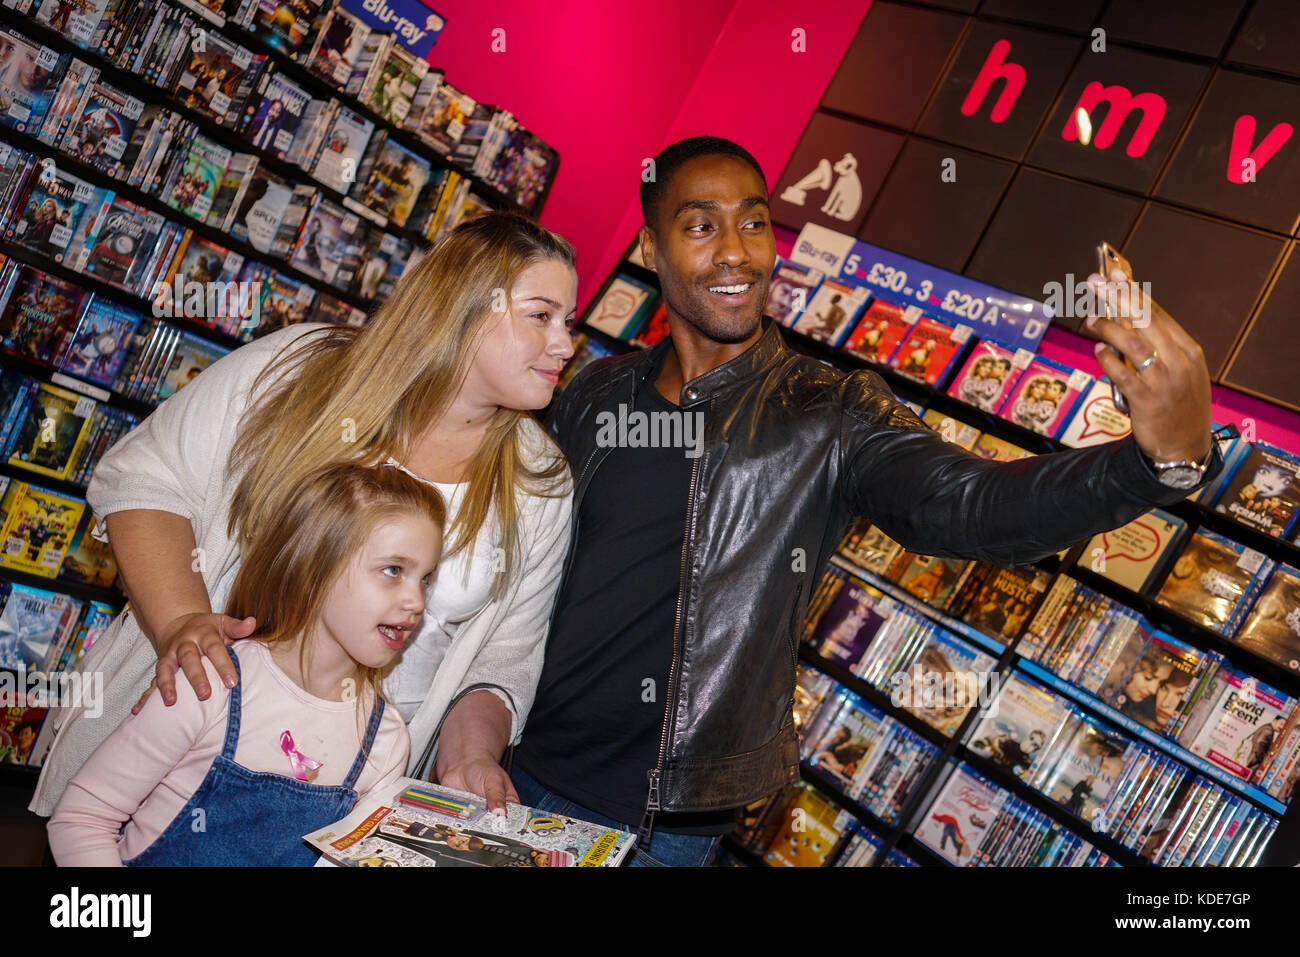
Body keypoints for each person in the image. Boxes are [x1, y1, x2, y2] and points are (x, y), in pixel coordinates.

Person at [512, 136, 1221, 866]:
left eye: (754, 222)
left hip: (658, 826)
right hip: (515, 763)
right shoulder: (597, 391)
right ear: (651, 248)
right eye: (700, 226)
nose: (736, 252)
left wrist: (1157, 462)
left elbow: (970, 504)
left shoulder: (828, 409)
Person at [30, 212, 577, 821]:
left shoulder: (540, 480)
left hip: (349, 792)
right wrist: (182, 620)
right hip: (182, 736)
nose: (565, 344)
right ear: (465, 307)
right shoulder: (302, 369)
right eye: (541, 316)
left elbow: (503, 657)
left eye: (569, 321)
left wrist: (470, 756)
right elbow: (145, 480)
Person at [45, 464, 442, 865]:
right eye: (394, 571)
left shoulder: (386, 741)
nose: (417, 602)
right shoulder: (211, 683)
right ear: (314, 567)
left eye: (425, 578)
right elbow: (83, 820)